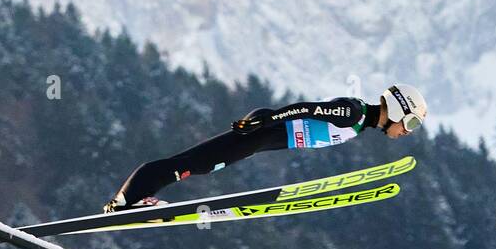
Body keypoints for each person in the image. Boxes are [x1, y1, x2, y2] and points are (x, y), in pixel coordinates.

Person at [103, 83, 428, 212]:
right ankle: (126, 201)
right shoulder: (353, 112)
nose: (407, 132)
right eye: (411, 124)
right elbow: (306, 108)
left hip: (264, 135)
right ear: (399, 110)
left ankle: (127, 199)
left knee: (193, 163)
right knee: (191, 164)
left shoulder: (358, 121)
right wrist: (265, 120)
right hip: (263, 131)